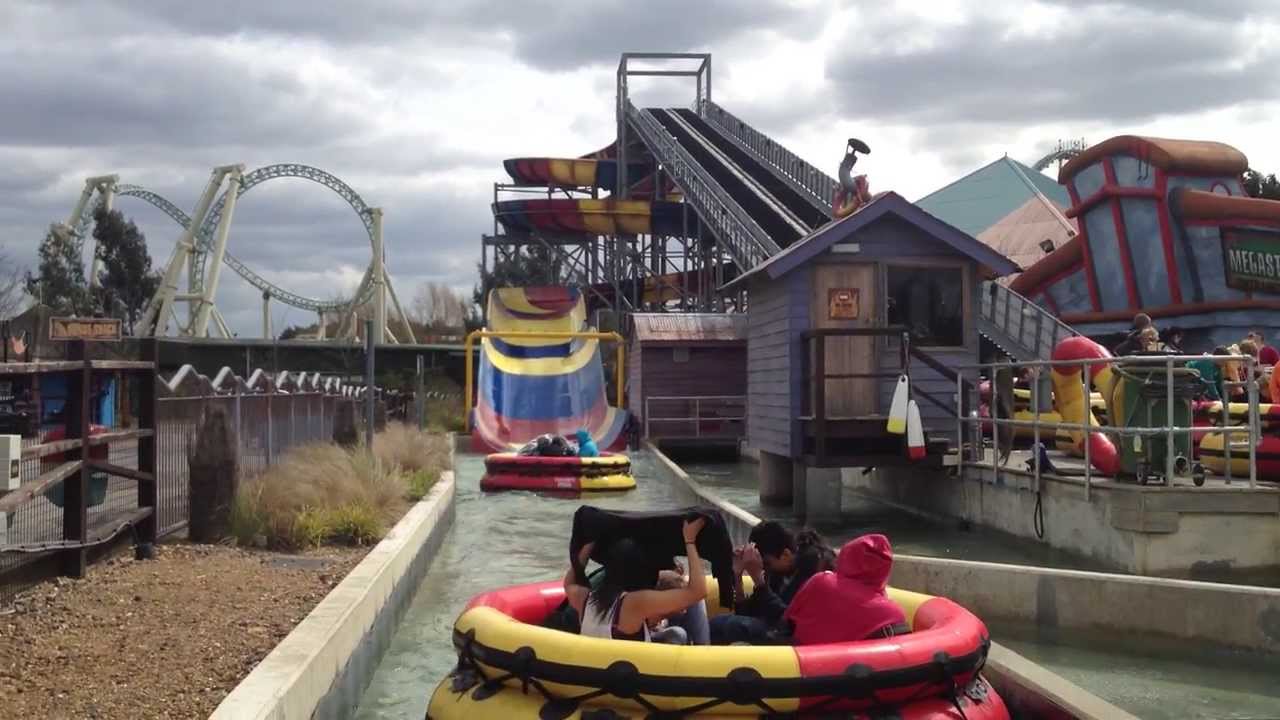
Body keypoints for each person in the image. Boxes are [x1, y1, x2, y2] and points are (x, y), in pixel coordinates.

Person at [565, 517, 708, 643]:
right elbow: (698, 592)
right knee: (678, 633)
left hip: (600, 664)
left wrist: (589, 542)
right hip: (632, 666)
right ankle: (704, 655)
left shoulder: (584, 598)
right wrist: (690, 541)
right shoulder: (634, 603)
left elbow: (570, 582)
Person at [709, 522, 835, 645]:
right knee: (719, 623)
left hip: (799, 636)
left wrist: (759, 579)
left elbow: (789, 620)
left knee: (730, 625)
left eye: (766, 564)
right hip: (779, 628)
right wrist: (737, 577)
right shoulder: (780, 569)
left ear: (785, 555)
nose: (764, 568)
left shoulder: (814, 568)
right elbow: (750, 613)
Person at [781, 534, 909, 645]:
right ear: (885, 571)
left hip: (799, 664)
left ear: (845, 558)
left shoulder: (820, 581)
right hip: (851, 671)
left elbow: (787, 620)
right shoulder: (892, 614)